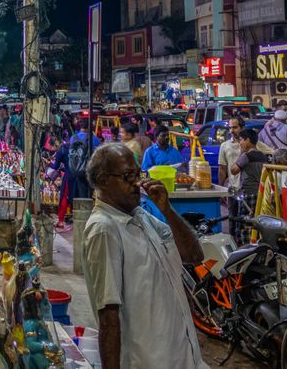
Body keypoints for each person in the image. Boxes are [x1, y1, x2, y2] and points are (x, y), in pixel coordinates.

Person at [81, 143, 207, 369]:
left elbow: (194, 256)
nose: (137, 183)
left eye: (138, 174)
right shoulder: (104, 229)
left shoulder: (142, 217)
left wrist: (166, 208)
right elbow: (108, 315)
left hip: (184, 358)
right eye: (128, 176)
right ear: (103, 181)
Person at [230, 129, 270, 246]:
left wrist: (241, 153)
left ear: (247, 140)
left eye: (241, 140)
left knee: (245, 224)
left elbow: (233, 170)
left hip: (248, 194)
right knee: (257, 223)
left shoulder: (246, 156)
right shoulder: (263, 156)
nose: (240, 143)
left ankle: (247, 249)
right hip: (261, 194)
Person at [48, 132, 89, 231]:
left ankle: (61, 221)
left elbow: (56, 166)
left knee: (65, 198)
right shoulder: (79, 148)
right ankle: (79, 221)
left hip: (69, 177)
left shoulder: (62, 150)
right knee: (77, 197)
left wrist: (49, 163)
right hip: (80, 177)